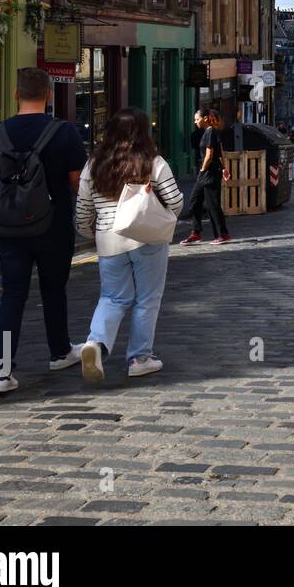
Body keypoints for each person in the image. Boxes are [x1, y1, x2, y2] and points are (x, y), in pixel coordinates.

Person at [0, 68, 88, 395]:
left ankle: (1, 373)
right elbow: (77, 182)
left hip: (8, 225)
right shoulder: (65, 132)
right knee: (53, 290)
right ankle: (60, 352)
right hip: (53, 225)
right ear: (48, 95)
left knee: (11, 294)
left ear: (16, 95)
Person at [74, 108, 184, 382]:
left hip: (108, 240)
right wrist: (162, 216)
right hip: (146, 237)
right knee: (147, 299)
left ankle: (96, 343)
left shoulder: (93, 165)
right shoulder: (153, 162)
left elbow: (83, 209)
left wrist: (92, 233)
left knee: (112, 297)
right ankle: (140, 358)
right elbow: (176, 201)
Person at [180, 109, 231, 245]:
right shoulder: (209, 132)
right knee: (194, 202)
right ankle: (196, 233)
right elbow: (220, 153)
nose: (195, 122)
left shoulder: (210, 132)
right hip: (206, 173)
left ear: (206, 118)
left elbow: (210, 154)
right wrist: (225, 169)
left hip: (209, 173)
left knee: (212, 204)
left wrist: (203, 170)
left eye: (197, 119)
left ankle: (223, 234)